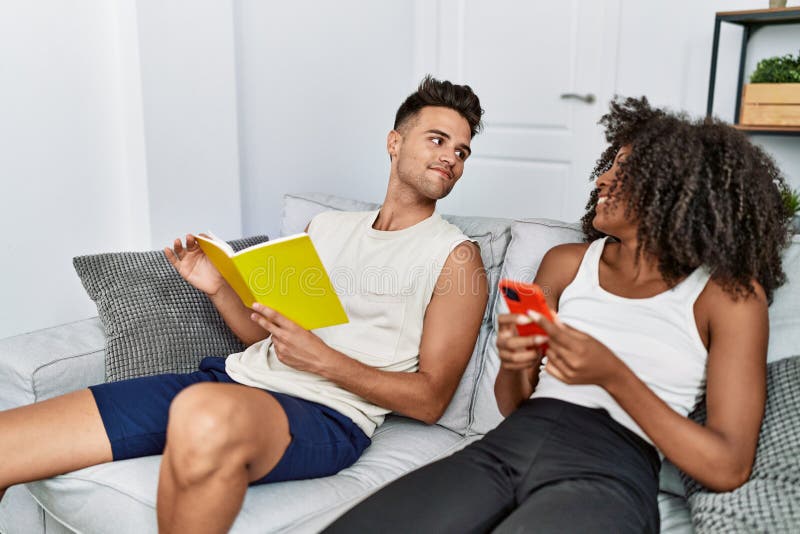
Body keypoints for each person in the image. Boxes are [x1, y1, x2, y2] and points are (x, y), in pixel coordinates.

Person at [0, 76, 489, 534]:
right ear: (394, 142)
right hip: (232, 380)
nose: (451, 157)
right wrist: (217, 287)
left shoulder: (455, 256)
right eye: (437, 139)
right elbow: (264, 335)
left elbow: (430, 400)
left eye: (461, 151)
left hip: (326, 413)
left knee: (202, 414)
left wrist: (322, 360)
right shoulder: (327, 228)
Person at [325, 97, 793, 533]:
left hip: (610, 471)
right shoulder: (568, 262)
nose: (602, 180)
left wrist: (613, 375)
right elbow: (513, 403)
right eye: (608, 166)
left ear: (674, 190)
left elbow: (728, 467)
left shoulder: (728, 296)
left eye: (623, 170)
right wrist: (515, 360)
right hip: (508, 445)